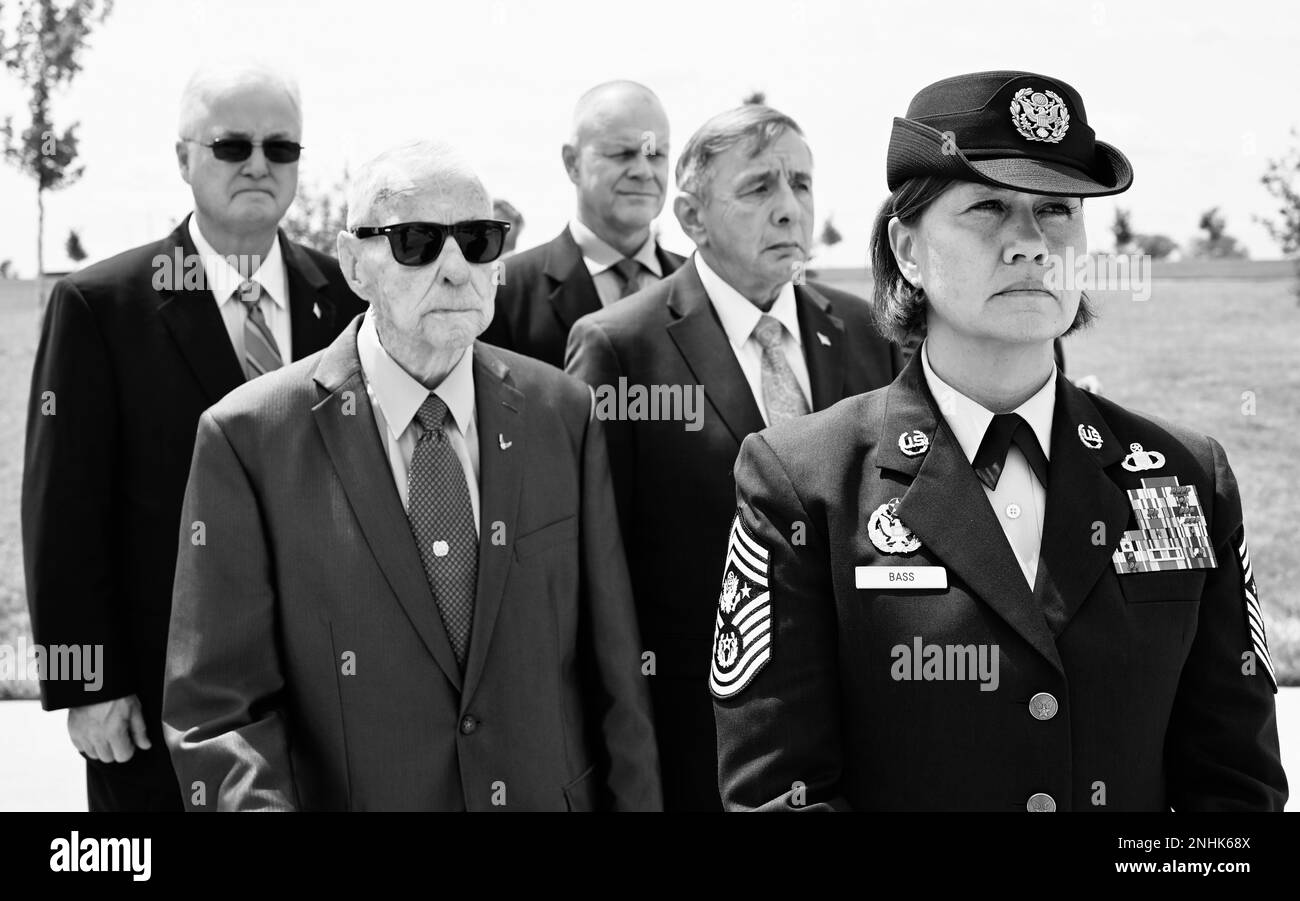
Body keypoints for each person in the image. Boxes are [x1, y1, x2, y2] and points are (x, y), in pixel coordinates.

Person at [712, 71, 1287, 811]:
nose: (1029, 243)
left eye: (1056, 210)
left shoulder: (1182, 477)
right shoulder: (804, 480)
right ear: (907, 249)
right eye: (988, 207)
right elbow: (779, 792)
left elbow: (1237, 787)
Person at [162, 140, 660, 811]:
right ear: (352, 263)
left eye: (479, 240)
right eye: (417, 241)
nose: (456, 268)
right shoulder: (250, 437)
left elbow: (615, 676)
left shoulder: (562, 413)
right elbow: (218, 710)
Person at [20, 60, 366, 812]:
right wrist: (90, 684)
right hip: (159, 695)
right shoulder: (99, 307)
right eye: (231, 145)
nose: (257, 165)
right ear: (184, 158)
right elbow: (65, 511)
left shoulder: (345, 299)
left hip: (330, 684)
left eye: (281, 149)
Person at [567, 104, 900, 810]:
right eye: (758, 188)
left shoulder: (869, 333)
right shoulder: (619, 347)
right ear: (691, 217)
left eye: (802, 185)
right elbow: (594, 575)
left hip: (867, 737)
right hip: (703, 745)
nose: (789, 209)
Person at [481, 80, 685, 367]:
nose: (643, 171)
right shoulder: (503, 292)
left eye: (656, 154)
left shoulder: (705, 288)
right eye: (622, 153)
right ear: (572, 163)